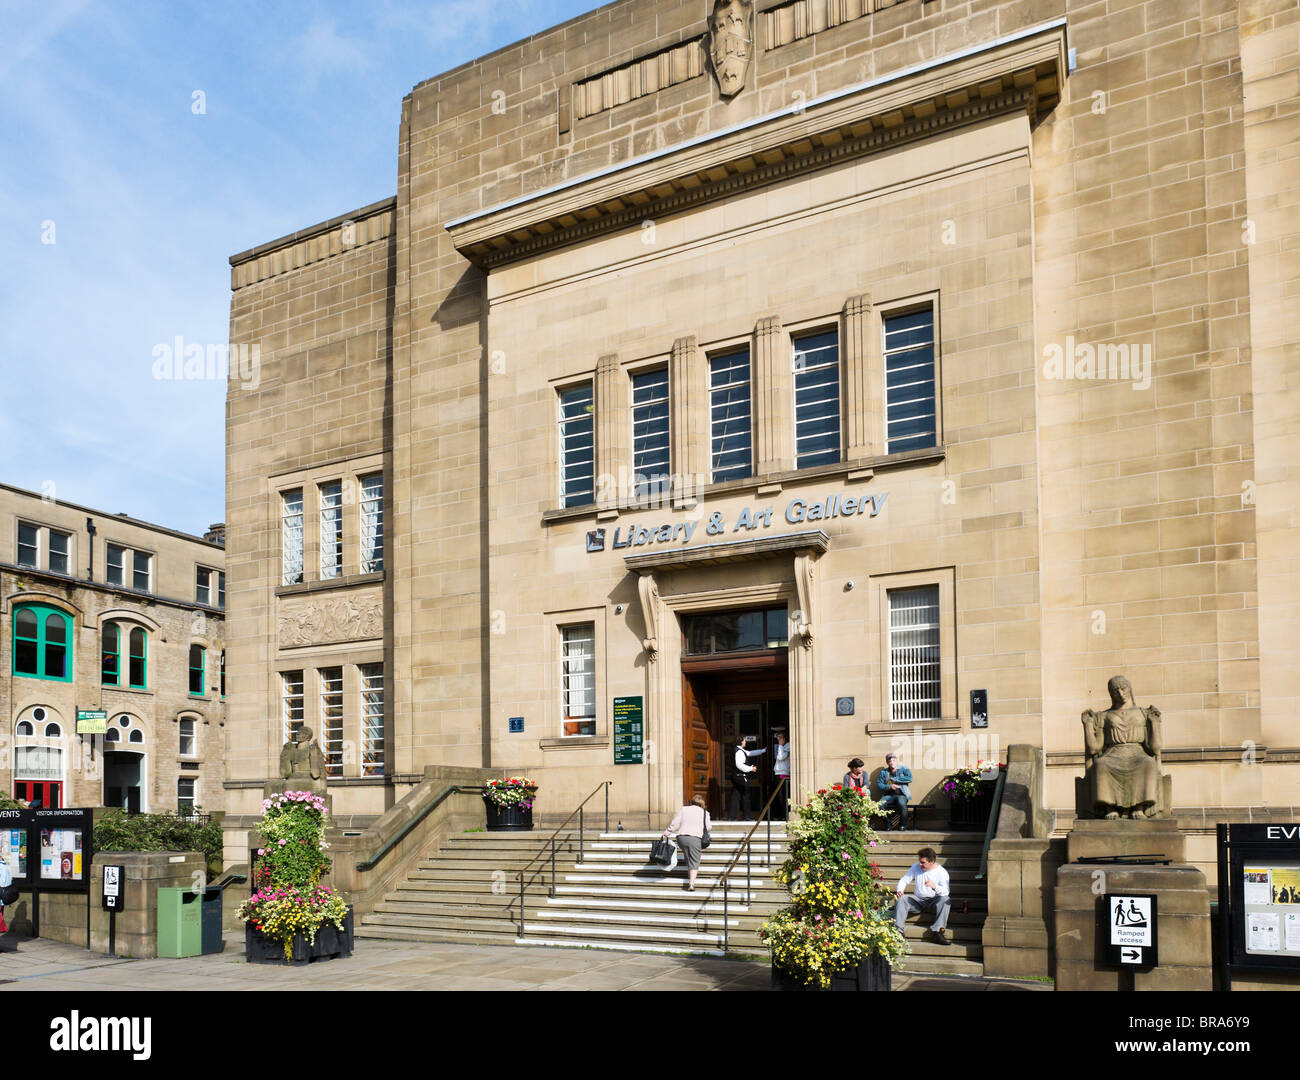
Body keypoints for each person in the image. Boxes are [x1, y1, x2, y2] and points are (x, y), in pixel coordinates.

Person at [895, 847, 951, 945]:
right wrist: (900, 890)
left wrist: (935, 887)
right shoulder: (916, 867)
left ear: (932, 861)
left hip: (934, 901)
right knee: (902, 899)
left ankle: (937, 932)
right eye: (920, 862)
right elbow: (904, 880)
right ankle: (898, 931)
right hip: (918, 901)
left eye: (923, 862)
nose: (920, 864)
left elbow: (946, 892)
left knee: (945, 900)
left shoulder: (942, 872)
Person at [662, 795, 713, 892]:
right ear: (702, 804)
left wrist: (667, 833)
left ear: (692, 802)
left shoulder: (684, 809)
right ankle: (691, 884)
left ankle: (690, 877)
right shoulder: (705, 813)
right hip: (695, 838)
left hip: (681, 838)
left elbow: (675, 823)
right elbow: (708, 827)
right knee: (694, 860)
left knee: (688, 858)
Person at [729, 736, 766, 819]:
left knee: (736, 795)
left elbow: (750, 753)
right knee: (746, 795)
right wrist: (750, 769)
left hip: (736, 777)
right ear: (741, 742)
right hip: (741, 777)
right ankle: (747, 816)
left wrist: (763, 750)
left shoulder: (739, 750)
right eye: (744, 741)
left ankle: (731, 817)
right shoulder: (739, 752)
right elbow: (739, 765)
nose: (745, 742)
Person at [876, 753, 913, 830]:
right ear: (887, 763)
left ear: (897, 761)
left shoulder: (904, 769)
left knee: (902, 804)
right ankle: (888, 824)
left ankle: (903, 825)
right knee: (880, 805)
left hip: (901, 795)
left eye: (894, 760)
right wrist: (890, 786)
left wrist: (895, 779)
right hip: (888, 796)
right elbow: (879, 785)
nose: (892, 762)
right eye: (890, 761)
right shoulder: (884, 772)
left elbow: (910, 778)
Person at [772, 731, 791, 819]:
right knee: (778, 796)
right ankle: (779, 815)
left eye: (780, 737)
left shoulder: (788, 746)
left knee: (783, 796)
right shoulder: (781, 746)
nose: (778, 739)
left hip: (783, 773)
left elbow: (781, 757)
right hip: (778, 773)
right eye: (778, 737)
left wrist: (780, 746)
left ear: (784, 738)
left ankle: (785, 815)